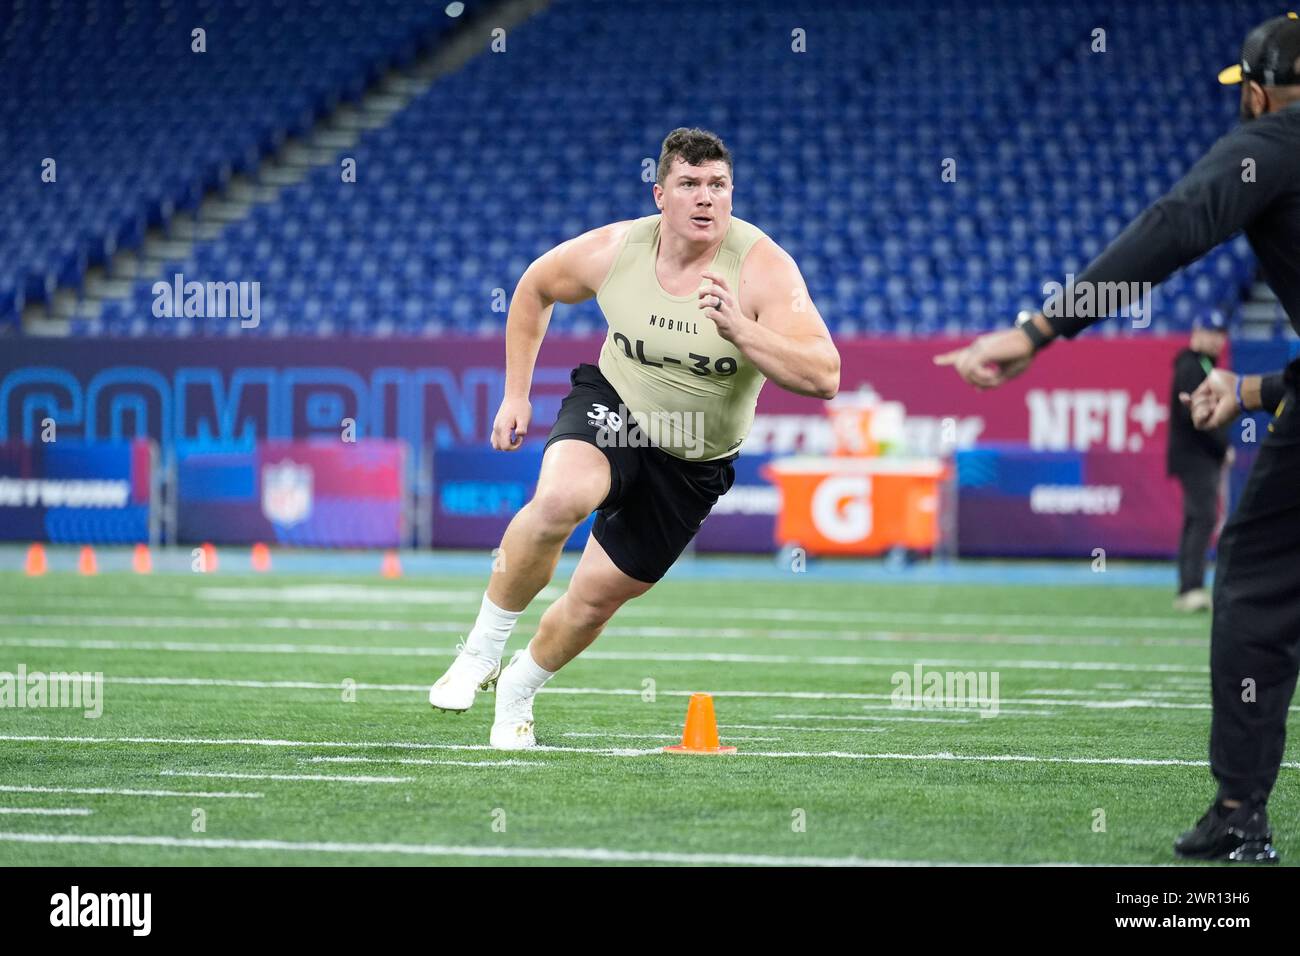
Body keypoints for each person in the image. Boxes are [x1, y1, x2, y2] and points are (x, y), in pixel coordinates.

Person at [935, 14, 1300, 863]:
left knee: (1251, 579)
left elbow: (1174, 225)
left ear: (1253, 93)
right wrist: (1251, 389)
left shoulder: (1274, 141)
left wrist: (1039, 329)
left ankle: (1242, 808)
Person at [427, 127, 840, 750]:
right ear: (660, 195)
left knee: (592, 602)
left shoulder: (763, 269)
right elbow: (535, 288)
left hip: (695, 459)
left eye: (719, 186)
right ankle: (480, 651)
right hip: (617, 405)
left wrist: (740, 329)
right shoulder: (615, 249)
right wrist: (516, 393)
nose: (706, 199)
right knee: (560, 500)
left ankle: (518, 688)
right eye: (690, 185)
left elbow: (824, 375)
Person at [1167, 315, 1231, 612]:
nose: (1216, 339)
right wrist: (1222, 447)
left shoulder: (1205, 365)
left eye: (1220, 333)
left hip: (1199, 455)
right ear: (1196, 332)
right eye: (1210, 331)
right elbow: (1195, 417)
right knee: (1203, 516)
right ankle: (1191, 587)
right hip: (1196, 456)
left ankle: (1189, 585)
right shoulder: (1191, 366)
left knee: (1197, 518)